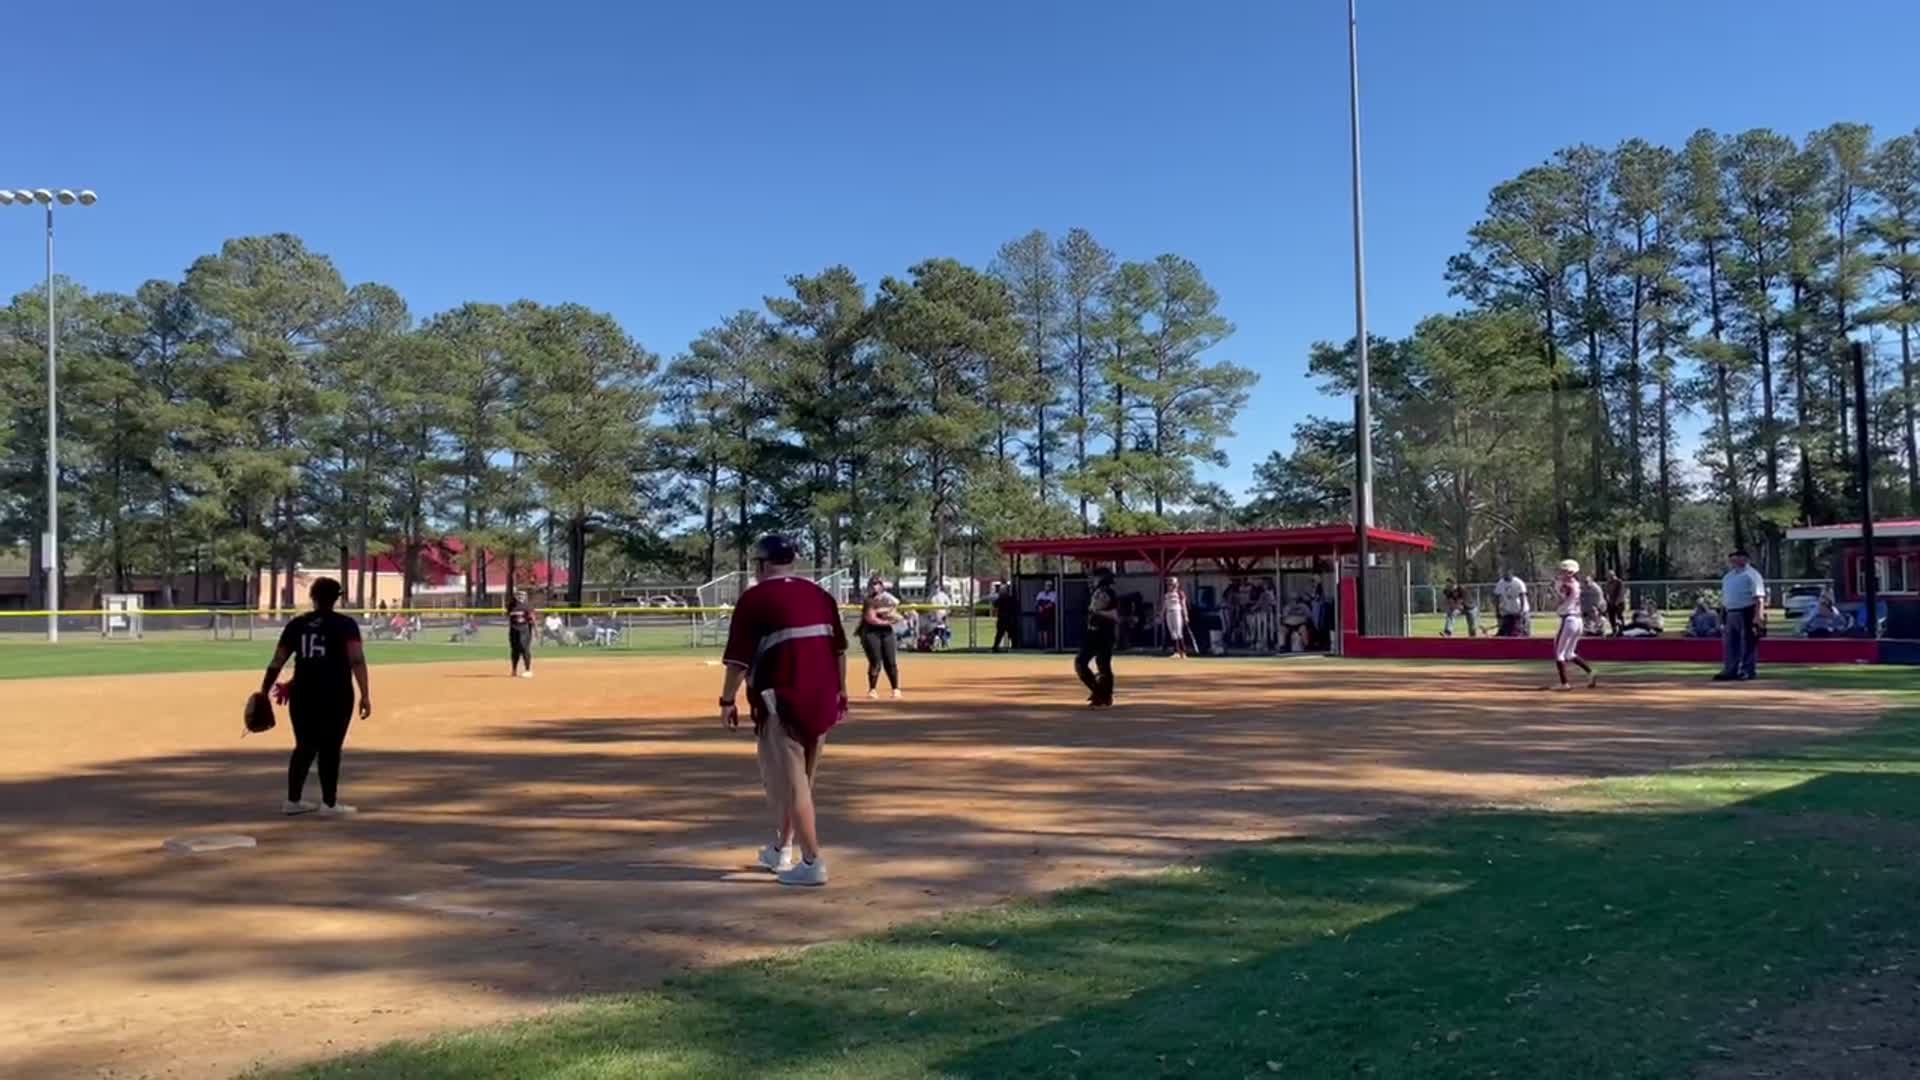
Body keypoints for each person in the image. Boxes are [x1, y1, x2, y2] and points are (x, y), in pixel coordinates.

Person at [719, 535, 848, 888]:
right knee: (802, 779)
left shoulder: (755, 598)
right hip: (823, 696)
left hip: (783, 696)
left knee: (792, 783)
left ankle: (812, 862)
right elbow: (839, 651)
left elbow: (738, 662)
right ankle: (782, 849)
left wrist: (727, 700)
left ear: (762, 565)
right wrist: (841, 692)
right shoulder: (820, 595)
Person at [260, 577, 371, 817]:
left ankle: (293, 801)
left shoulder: (297, 624)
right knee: (331, 748)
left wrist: (264, 691)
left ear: (312, 596)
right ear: (337, 598)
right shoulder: (346, 624)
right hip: (336, 693)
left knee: (304, 746)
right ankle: (329, 804)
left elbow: (277, 661)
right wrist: (365, 695)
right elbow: (356, 659)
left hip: (303, 692)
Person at [1716, 549, 1766, 682]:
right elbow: (1725, 597)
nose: (1734, 560)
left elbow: (1759, 597)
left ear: (1745, 559)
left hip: (1747, 611)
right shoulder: (1728, 577)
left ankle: (1747, 670)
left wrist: (1758, 616)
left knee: (1748, 642)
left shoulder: (1752, 575)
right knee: (1730, 643)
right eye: (1732, 558)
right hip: (1730, 612)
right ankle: (1730, 670)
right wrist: (1722, 615)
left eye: (1738, 557)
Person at [1550, 559, 1599, 691]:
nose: (1561, 573)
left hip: (1569, 619)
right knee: (1569, 653)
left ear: (1570, 572)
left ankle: (1564, 683)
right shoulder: (1576, 583)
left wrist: (1554, 591)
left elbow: (1560, 599)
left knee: (1559, 653)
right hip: (1577, 620)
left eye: (1564, 571)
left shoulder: (1566, 585)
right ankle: (1590, 672)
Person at [1076, 567, 1120, 709]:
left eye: (1096, 577)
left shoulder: (1108, 593)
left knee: (1103, 665)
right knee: (1080, 663)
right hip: (1092, 633)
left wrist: (1098, 612)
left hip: (1105, 634)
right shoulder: (1095, 592)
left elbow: (1115, 616)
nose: (1092, 579)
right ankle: (1099, 692)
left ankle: (1104, 695)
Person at [858, 574, 902, 699]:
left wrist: (891, 613)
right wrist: (888, 619)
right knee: (875, 662)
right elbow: (871, 619)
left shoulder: (886, 598)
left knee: (890, 661)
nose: (875, 586)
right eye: (873, 584)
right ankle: (872, 690)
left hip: (886, 632)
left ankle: (895, 689)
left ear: (882, 586)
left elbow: (896, 605)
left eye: (877, 584)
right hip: (871, 632)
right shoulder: (868, 600)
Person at [506, 589, 537, 678]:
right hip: (513, 630)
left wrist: (535, 630)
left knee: (524, 648)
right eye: (518, 595)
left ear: (525, 597)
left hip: (524, 630)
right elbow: (509, 616)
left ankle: (528, 670)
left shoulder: (528, 606)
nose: (520, 596)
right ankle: (514, 670)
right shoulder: (511, 605)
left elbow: (532, 618)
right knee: (514, 649)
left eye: (522, 595)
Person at [1494, 570, 1532, 637]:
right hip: (1508, 612)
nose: (1506, 575)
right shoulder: (1500, 583)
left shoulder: (1518, 583)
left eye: (1508, 574)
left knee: (1523, 633)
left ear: (1511, 574)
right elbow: (1497, 598)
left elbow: (1522, 597)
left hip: (1521, 612)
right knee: (1506, 633)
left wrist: (1521, 612)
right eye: (1504, 574)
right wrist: (1498, 613)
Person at [1162, 576, 1192, 658]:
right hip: (1169, 613)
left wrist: (1185, 616)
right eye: (1169, 584)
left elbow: (1183, 605)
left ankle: (1183, 652)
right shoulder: (1167, 594)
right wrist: (1162, 614)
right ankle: (1176, 652)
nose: (1170, 586)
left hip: (1177, 612)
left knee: (1178, 632)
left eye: (1172, 584)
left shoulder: (1180, 593)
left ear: (1176, 585)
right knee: (1172, 633)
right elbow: (1165, 605)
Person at [992, 583, 1019, 652]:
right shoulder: (1011, 598)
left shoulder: (1000, 599)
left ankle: (996, 647)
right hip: (1007, 619)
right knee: (1011, 634)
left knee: (1001, 634)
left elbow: (995, 608)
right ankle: (1014, 647)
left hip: (1003, 619)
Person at [926, 584, 952, 650]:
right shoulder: (932, 597)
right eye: (935, 587)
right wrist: (931, 616)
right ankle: (936, 645)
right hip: (936, 617)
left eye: (937, 587)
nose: (936, 589)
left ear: (939, 588)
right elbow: (930, 608)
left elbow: (949, 604)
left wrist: (946, 613)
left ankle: (946, 645)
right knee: (937, 632)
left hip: (943, 616)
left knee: (946, 631)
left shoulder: (943, 595)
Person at [1604, 571, 1628, 637]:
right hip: (1611, 603)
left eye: (1609, 576)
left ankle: (1622, 631)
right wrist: (1608, 600)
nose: (1608, 578)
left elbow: (1621, 593)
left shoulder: (1619, 582)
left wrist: (1616, 602)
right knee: (1611, 617)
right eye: (1607, 576)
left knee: (1619, 616)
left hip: (1619, 603)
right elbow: (1606, 592)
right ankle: (1614, 630)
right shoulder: (1608, 583)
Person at [1034, 584, 1058, 650]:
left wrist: (1044, 608)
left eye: (1049, 586)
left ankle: (1046, 645)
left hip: (1048, 615)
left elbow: (1051, 604)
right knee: (1039, 630)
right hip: (1040, 615)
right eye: (1046, 586)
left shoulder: (1053, 594)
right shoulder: (1040, 593)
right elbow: (1036, 603)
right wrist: (1039, 607)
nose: (1047, 587)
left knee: (1046, 630)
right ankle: (1040, 645)